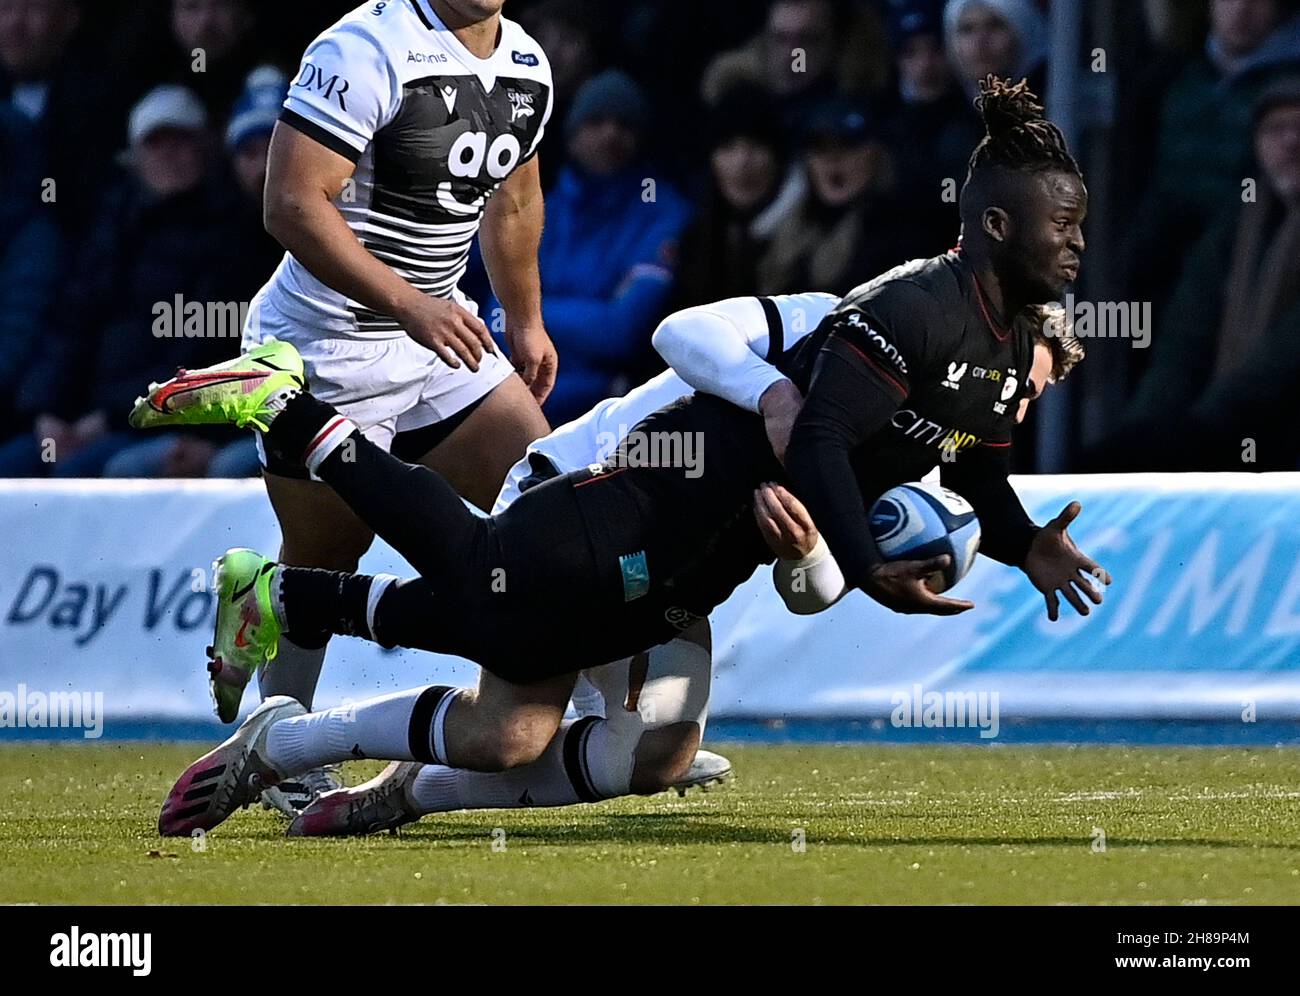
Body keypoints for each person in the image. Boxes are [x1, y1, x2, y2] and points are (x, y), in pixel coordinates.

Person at [140, 77, 1111, 837]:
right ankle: (289, 448)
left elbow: (851, 549)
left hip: (693, 551)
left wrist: (965, 548)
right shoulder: (869, 323)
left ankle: (333, 680)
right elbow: (714, 359)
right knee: (504, 632)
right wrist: (798, 447)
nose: (1023, 398)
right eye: (1030, 378)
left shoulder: (955, 399)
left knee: (594, 738)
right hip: (621, 476)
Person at [232, 0, 559, 813]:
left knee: (553, 509)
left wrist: (525, 318)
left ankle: (611, 731)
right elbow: (293, 204)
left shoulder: (526, 66)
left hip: (440, 339)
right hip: (324, 347)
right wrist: (414, 305)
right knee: (321, 564)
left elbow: (513, 202)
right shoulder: (363, 45)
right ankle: (284, 747)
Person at [0, 84, 244, 478]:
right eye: (155, 143)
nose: (168, 154)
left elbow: (201, 351)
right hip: (87, 420)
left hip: (161, 421)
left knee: (80, 476)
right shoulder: (112, 229)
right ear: (134, 157)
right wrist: (46, 411)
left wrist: (112, 416)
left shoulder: (230, 236)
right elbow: (69, 328)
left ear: (206, 148)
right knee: (11, 469)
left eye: (181, 141)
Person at [1086, 77, 1300, 471]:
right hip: (1224, 427)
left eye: (1299, 128)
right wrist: (1148, 427)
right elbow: (1185, 337)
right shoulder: (1238, 225)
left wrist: (1204, 428)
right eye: (1275, 129)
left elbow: (1286, 355)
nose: (1290, 142)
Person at [529, 69, 693, 423]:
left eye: (624, 124)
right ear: (571, 136)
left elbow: (622, 331)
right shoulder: (543, 209)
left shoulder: (663, 211)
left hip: (614, 408)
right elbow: (495, 313)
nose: (610, 134)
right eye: (596, 121)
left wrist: (532, 312)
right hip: (531, 389)